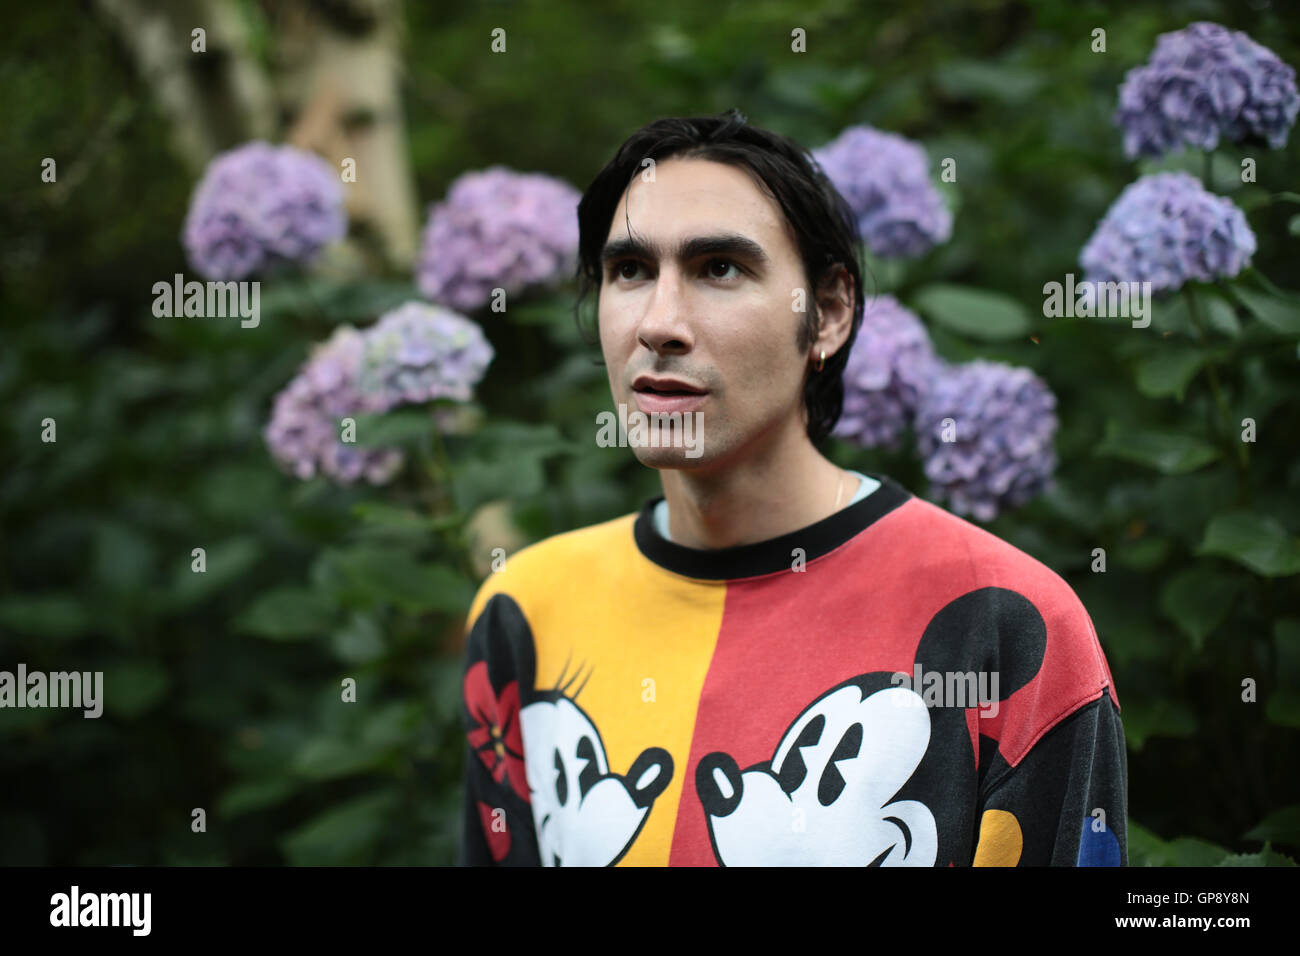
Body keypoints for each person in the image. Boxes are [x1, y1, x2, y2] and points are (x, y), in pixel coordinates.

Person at [456, 109, 1127, 867]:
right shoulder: (527, 610)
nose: (659, 323)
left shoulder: (1005, 624)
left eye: (719, 269)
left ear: (830, 313)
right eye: (630, 271)